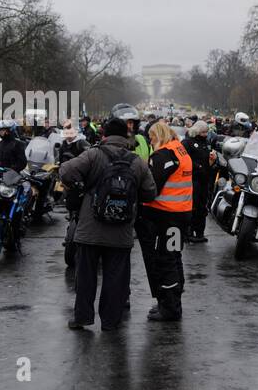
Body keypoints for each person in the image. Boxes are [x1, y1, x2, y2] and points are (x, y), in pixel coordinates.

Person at [58, 116, 156, 331]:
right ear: (126, 136)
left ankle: (82, 318)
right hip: (121, 232)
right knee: (116, 279)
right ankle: (111, 322)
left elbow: (65, 171)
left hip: (89, 228)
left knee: (85, 277)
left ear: (104, 134)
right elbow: (150, 192)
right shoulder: (136, 161)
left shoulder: (93, 155)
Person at [138, 121, 193, 321]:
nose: (151, 142)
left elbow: (152, 187)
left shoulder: (162, 155)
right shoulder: (180, 150)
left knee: (165, 260)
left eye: (151, 138)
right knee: (174, 257)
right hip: (181, 214)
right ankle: (171, 302)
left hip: (165, 216)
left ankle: (170, 309)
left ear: (158, 135)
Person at [183, 120, 214, 243]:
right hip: (192, 179)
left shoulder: (206, 143)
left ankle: (200, 232)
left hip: (204, 179)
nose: (205, 134)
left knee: (202, 207)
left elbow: (208, 159)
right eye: (203, 132)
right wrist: (198, 167)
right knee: (192, 207)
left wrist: (212, 161)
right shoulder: (187, 143)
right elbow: (185, 160)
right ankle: (189, 232)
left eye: (206, 132)